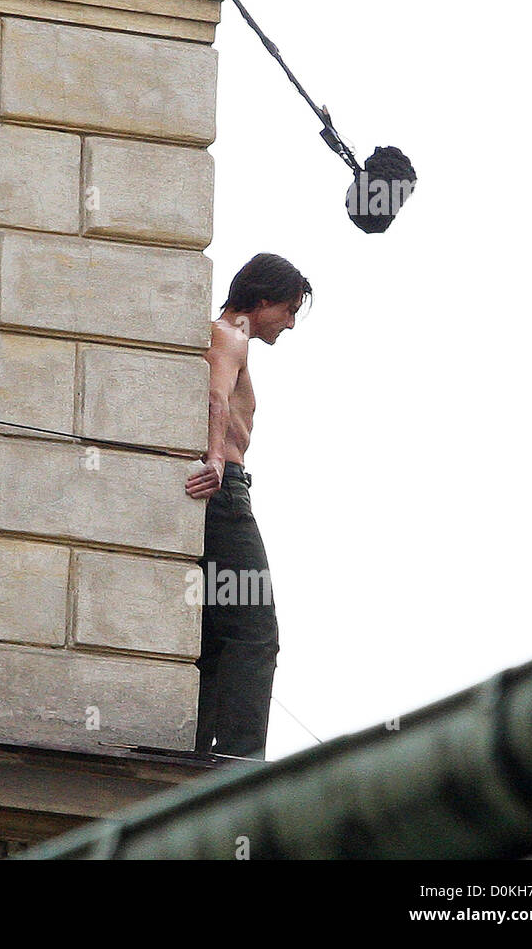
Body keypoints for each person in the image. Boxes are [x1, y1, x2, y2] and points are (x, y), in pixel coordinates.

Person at [184, 253, 311, 760]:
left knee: (218, 634)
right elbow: (215, 397)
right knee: (257, 632)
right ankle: (240, 761)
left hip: (220, 491)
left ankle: (198, 749)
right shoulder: (229, 336)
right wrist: (216, 460)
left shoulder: (227, 337)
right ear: (261, 302)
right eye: (288, 308)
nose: (291, 322)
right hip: (226, 493)